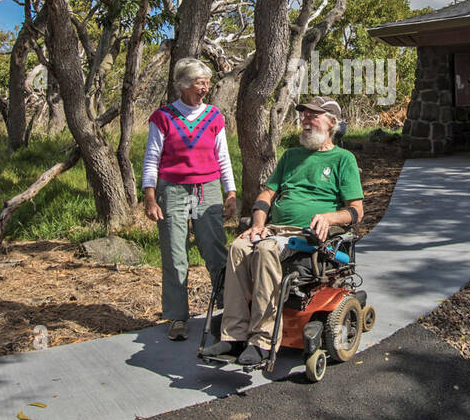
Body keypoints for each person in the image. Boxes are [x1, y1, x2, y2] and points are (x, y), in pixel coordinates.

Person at [202, 97, 364, 366]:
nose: (305, 120)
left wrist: (327, 217)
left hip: (308, 236)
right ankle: (233, 338)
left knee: (266, 249)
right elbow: (266, 195)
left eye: (313, 116)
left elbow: (356, 211)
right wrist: (257, 224)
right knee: (239, 247)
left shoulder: (342, 159)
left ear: (331, 123)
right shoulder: (290, 156)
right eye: (304, 115)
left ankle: (263, 342)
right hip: (275, 228)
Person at [142, 58, 238, 341]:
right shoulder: (164, 117)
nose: (205, 89)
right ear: (184, 85)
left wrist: (229, 192)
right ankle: (177, 317)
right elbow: (151, 159)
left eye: (208, 83)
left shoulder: (214, 116)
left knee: (215, 250)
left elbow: (223, 157)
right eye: (200, 83)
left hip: (207, 189)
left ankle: (227, 311)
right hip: (172, 190)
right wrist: (150, 197)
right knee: (175, 254)